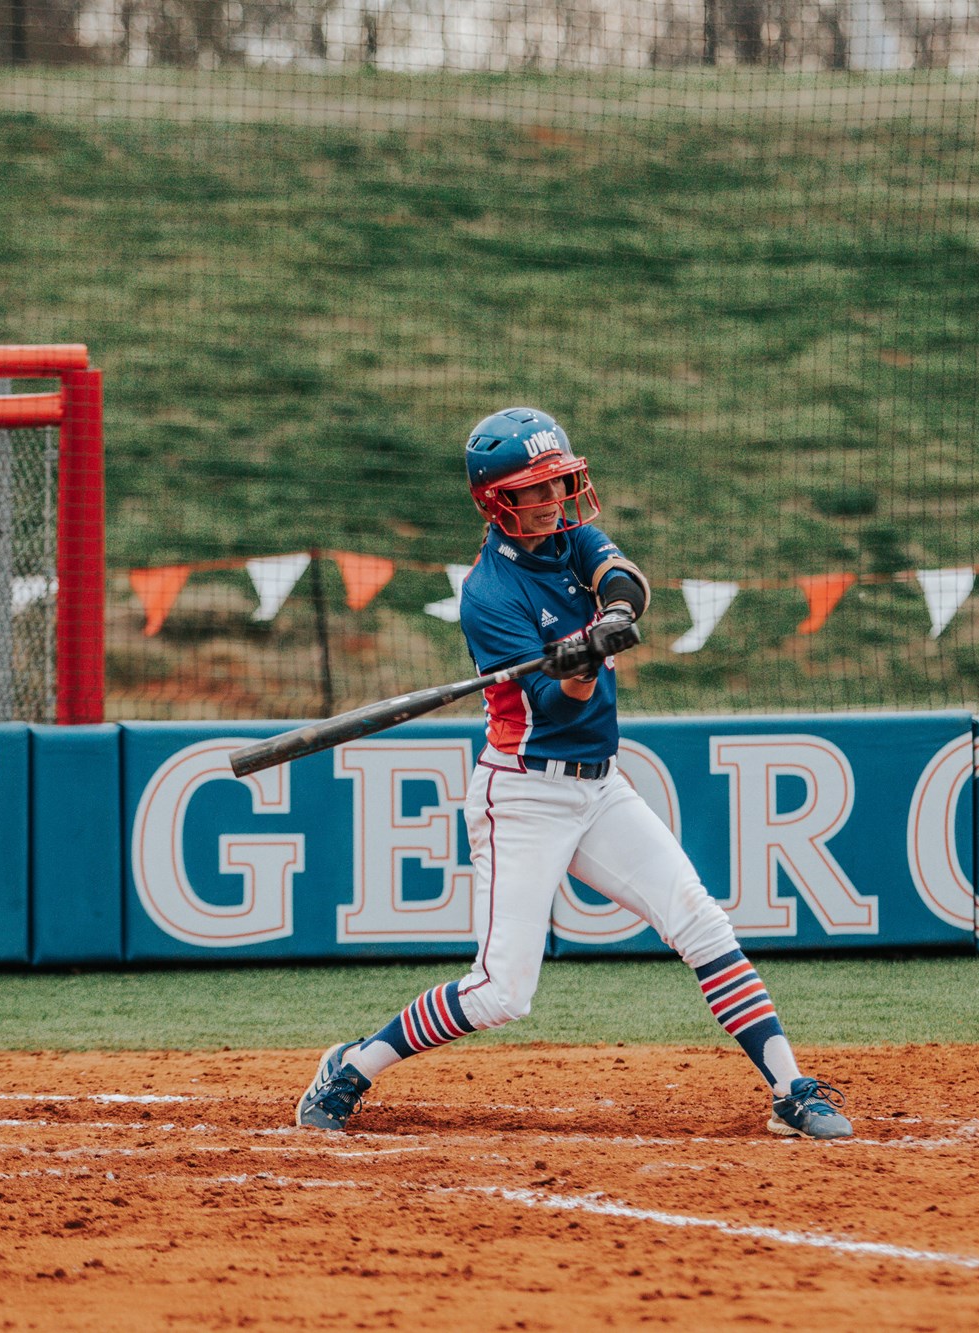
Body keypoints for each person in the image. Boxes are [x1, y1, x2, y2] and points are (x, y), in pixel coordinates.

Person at [296, 407, 853, 1138]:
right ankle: (353, 1066)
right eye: (537, 488)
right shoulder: (490, 595)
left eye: (559, 481)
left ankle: (788, 1087)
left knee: (700, 919)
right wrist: (581, 668)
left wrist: (612, 617)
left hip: (599, 785)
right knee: (500, 992)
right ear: (500, 501)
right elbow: (555, 708)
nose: (555, 497)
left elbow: (621, 576)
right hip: (523, 791)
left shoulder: (569, 537)